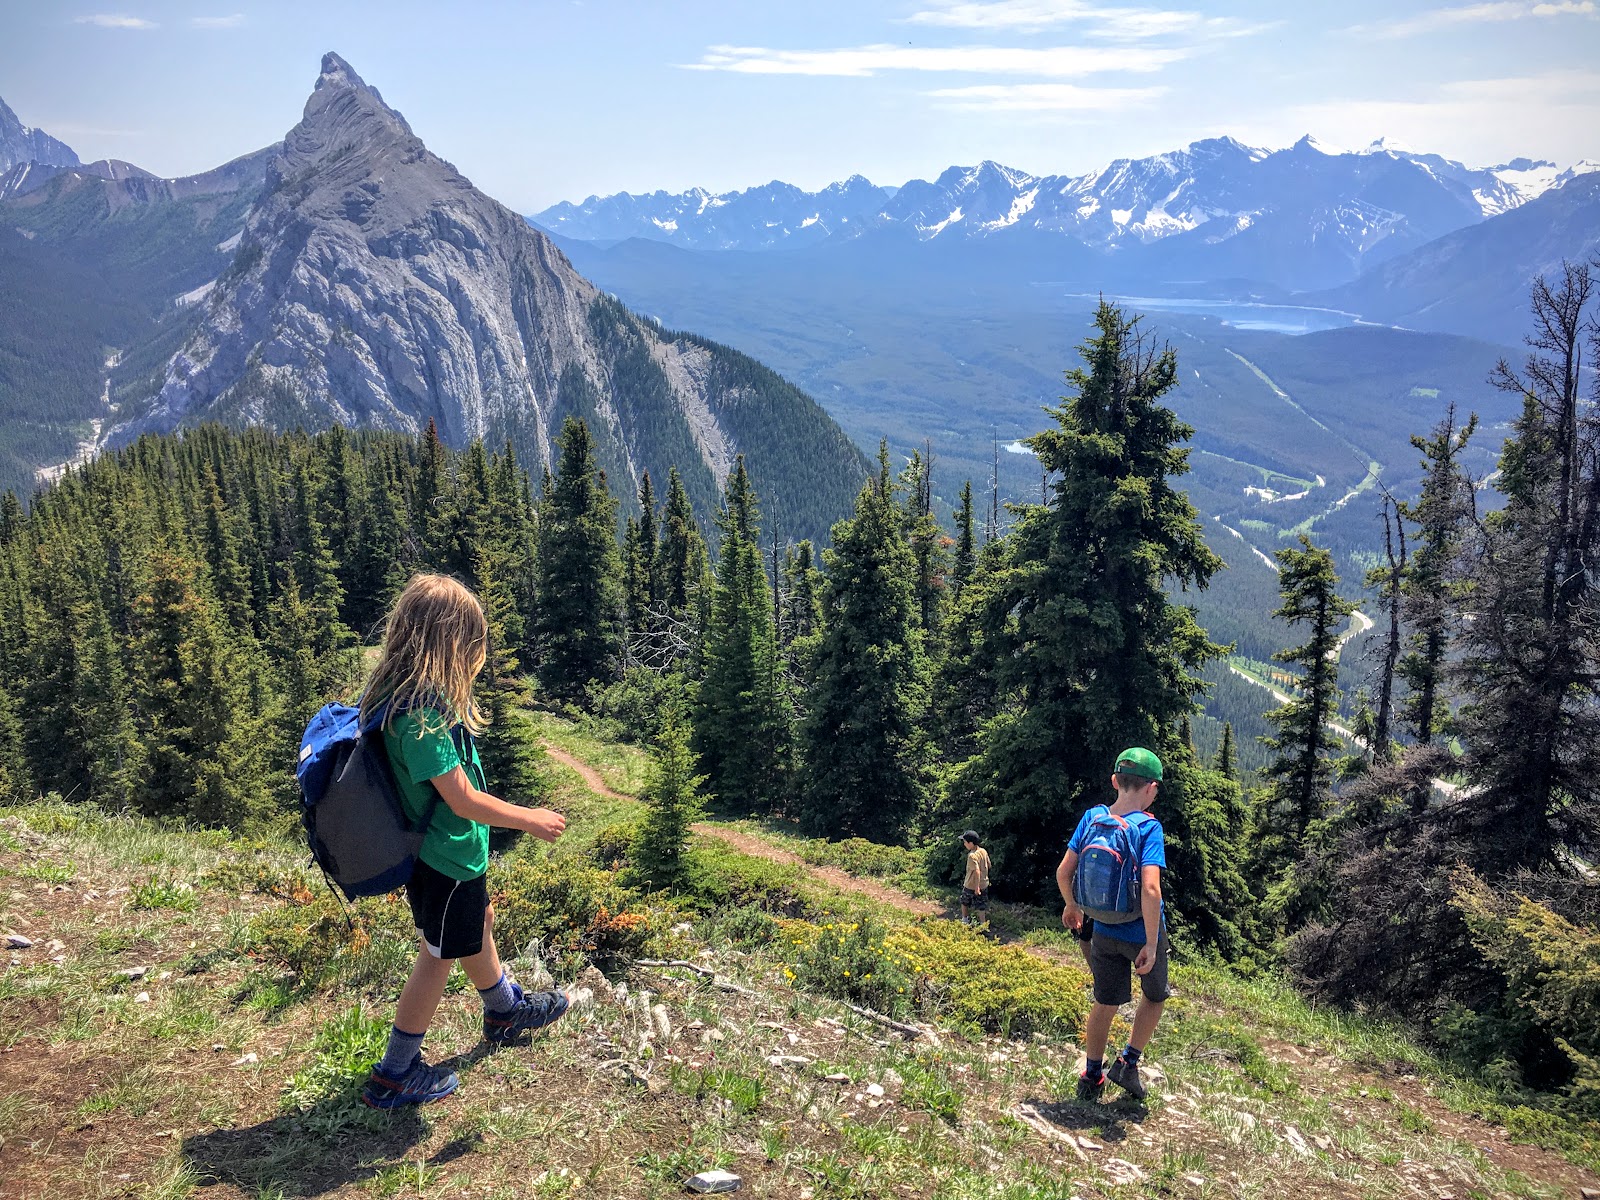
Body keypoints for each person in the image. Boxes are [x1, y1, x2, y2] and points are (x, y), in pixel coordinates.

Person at [359, 574, 573, 1109]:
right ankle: (396, 1070)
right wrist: (528, 819)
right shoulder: (422, 719)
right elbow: (460, 800)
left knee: (478, 925)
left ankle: (503, 1009)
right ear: (446, 644)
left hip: (449, 857)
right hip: (446, 857)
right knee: (436, 957)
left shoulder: (404, 700)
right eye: (470, 643)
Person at [1055, 747, 1170, 1103]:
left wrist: (1072, 905)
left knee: (1104, 1002)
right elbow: (1151, 888)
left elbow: (1064, 871)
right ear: (1151, 788)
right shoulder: (1149, 826)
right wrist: (1150, 943)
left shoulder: (1093, 818)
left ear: (1115, 781)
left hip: (1102, 927)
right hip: (1139, 931)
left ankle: (1092, 1075)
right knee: (1154, 996)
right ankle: (1127, 1062)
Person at [959, 830, 990, 925]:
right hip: (984, 883)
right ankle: (982, 924)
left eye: (965, 842)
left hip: (971, 884)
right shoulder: (983, 851)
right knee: (981, 906)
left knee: (964, 901)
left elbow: (976, 871)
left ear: (970, 843)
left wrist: (976, 888)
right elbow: (989, 864)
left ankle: (965, 920)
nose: (964, 844)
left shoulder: (972, 855)